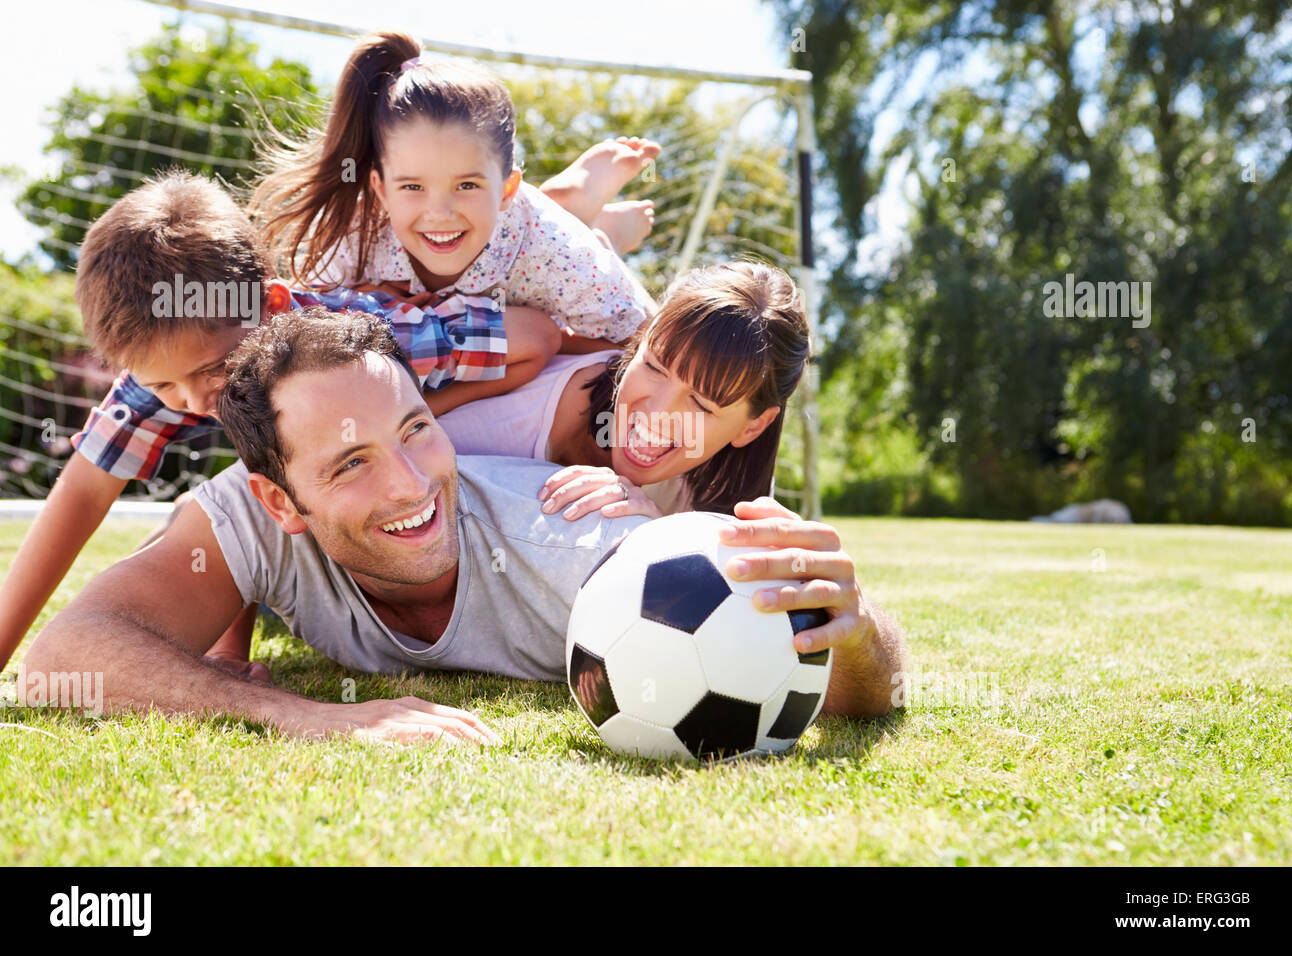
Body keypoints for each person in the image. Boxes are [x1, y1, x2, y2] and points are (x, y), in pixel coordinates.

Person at [21, 308, 908, 744]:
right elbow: (64, 657)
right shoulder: (245, 524)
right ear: (281, 502)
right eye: (352, 460)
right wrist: (302, 716)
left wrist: (859, 634)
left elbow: (841, 686)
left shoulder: (581, 551)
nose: (412, 484)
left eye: (415, 429)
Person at [0, 123, 658, 675]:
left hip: (474, 277)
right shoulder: (163, 369)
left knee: (553, 329)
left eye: (212, 371)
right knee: (221, 499)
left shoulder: (359, 339)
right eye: (163, 385)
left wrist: (424, 415)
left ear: (272, 310)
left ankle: (586, 220)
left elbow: (536, 335)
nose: (192, 399)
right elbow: (80, 496)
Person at [249, 31, 658, 392]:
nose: (439, 212)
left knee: (574, 297)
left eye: (466, 185)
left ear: (506, 189)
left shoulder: (556, 251)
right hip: (510, 230)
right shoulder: (354, 233)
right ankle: (578, 205)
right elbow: (309, 315)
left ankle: (601, 229)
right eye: (412, 187)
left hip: (532, 255)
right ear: (379, 190)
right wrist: (369, 297)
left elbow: (637, 342)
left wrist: (544, 331)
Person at [437, 260, 809, 521]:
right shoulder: (530, 375)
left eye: (701, 403)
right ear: (639, 345)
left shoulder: (720, 509)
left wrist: (649, 537)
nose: (658, 412)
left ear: (753, 427)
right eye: (653, 366)